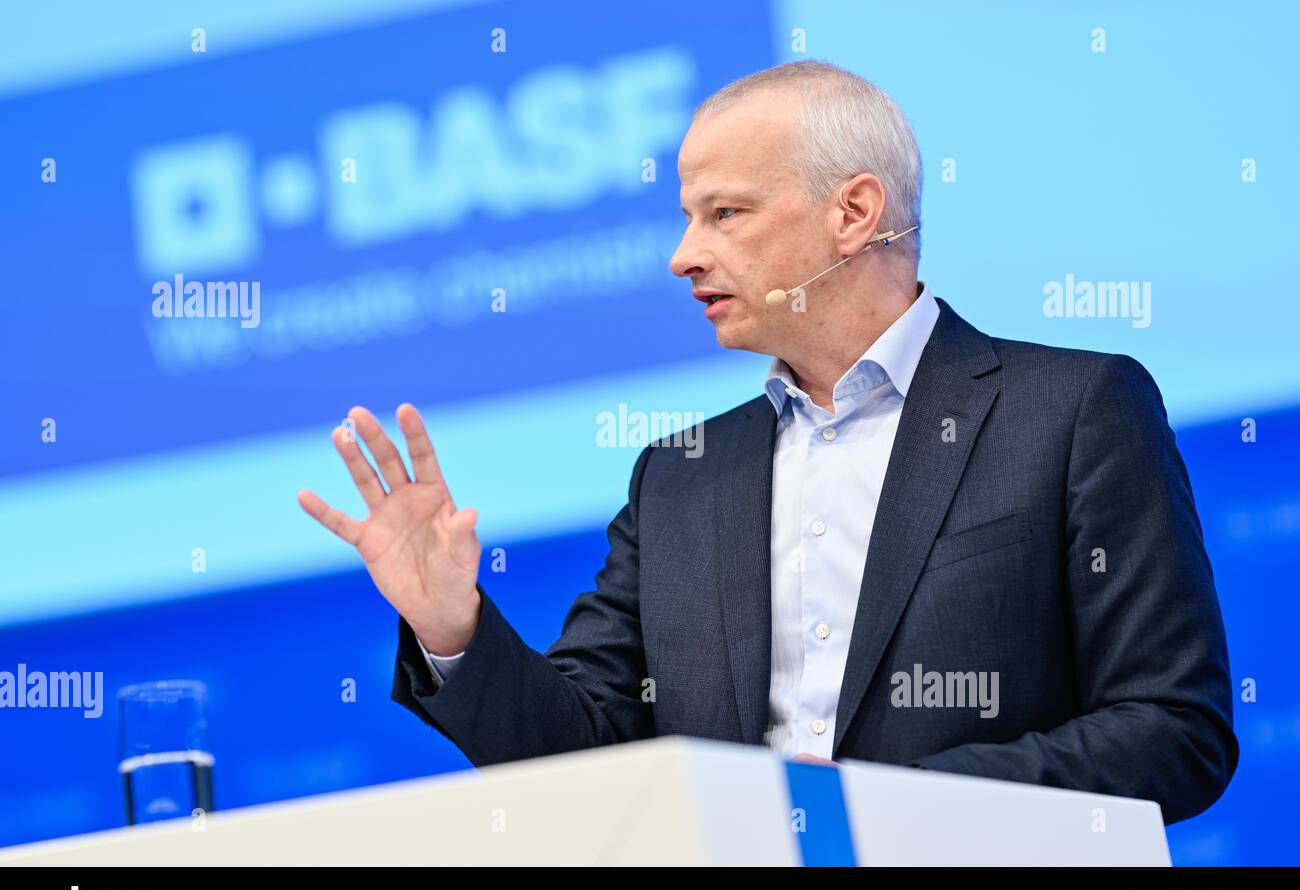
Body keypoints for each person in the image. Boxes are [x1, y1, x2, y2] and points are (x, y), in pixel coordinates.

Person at [298, 60, 1236, 823]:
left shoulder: (1071, 410)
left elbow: (1172, 731)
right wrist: (450, 625)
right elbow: (582, 759)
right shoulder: (681, 477)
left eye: (726, 213)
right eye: (686, 216)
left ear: (854, 213)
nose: (683, 255)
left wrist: (879, 814)